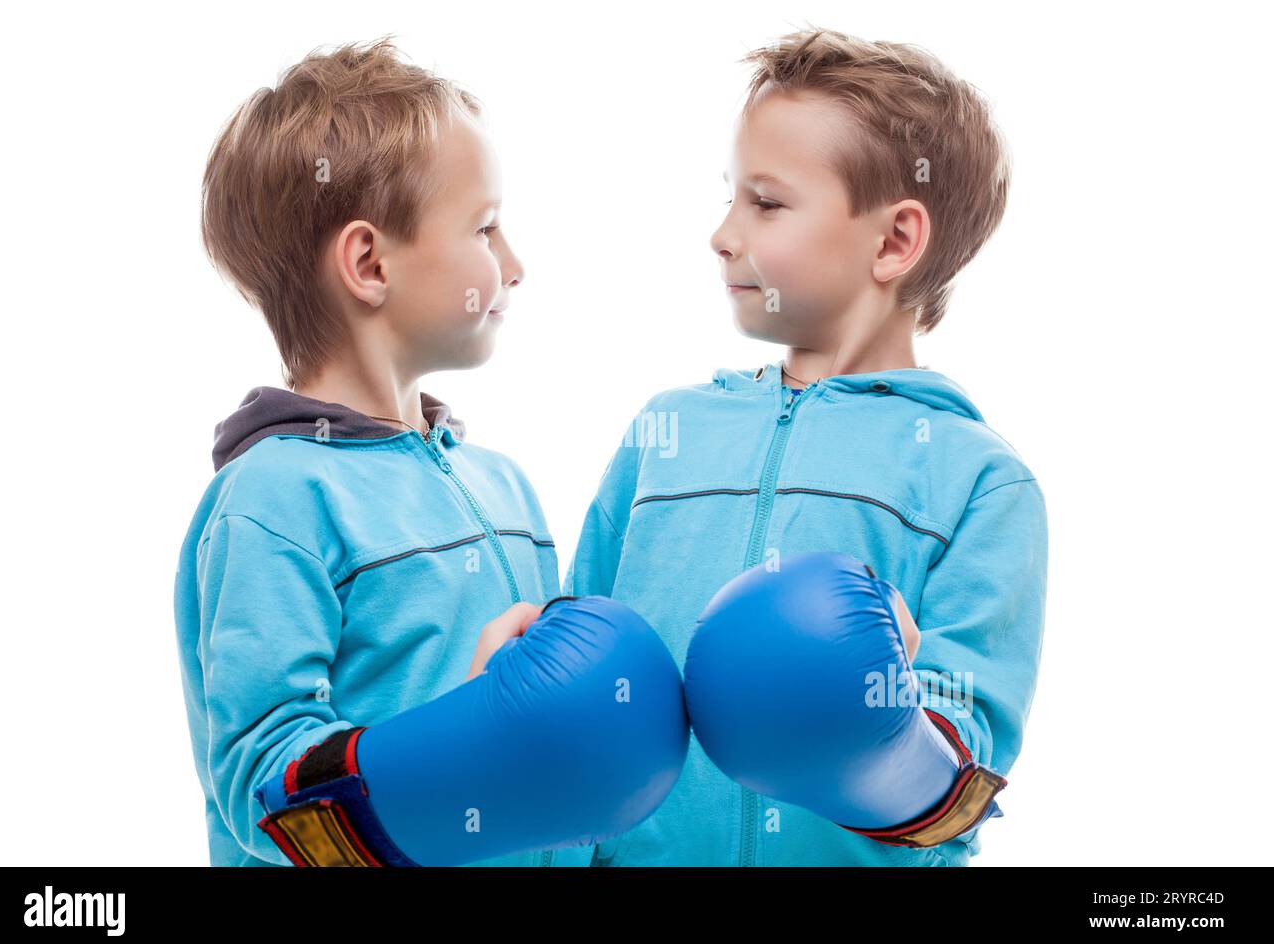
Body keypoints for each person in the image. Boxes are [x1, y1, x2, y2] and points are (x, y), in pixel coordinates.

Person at [564, 27, 1048, 866]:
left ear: (894, 242)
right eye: (729, 198)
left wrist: (881, 732)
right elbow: (580, 665)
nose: (723, 234)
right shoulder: (664, 436)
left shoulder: (978, 480)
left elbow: (959, 789)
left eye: (767, 203)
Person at [174, 38, 601, 867]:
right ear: (369, 262)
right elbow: (269, 788)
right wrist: (466, 738)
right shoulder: (276, 499)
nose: (515, 265)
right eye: (485, 228)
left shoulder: (503, 485)